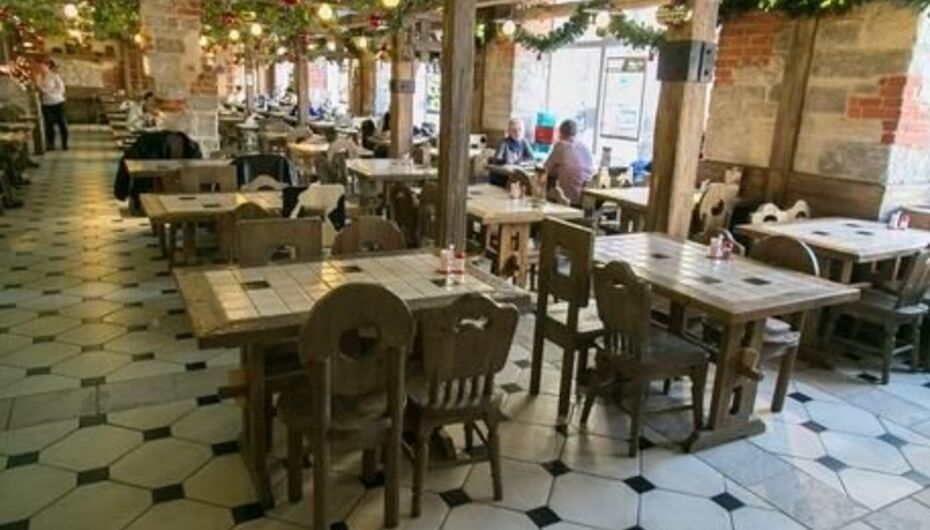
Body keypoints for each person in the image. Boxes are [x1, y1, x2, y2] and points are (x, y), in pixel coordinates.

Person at [543, 119, 595, 206]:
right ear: (576, 133)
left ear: (560, 133)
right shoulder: (585, 147)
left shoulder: (561, 146)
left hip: (569, 201)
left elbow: (544, 169)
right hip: (588, 199)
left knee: (542, 184)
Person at [37, 59, 68, 150]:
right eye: (39, 66)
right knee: (49, 125)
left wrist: (48, 91)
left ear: (47, 66)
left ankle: (64, 144)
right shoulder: (39, 77)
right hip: (46, 103)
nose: (41, 68)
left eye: (42, 66)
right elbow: (38, 88)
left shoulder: (54, 76)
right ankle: (51, 144)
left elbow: (62, 89)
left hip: (57, 102)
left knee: (62, 123)